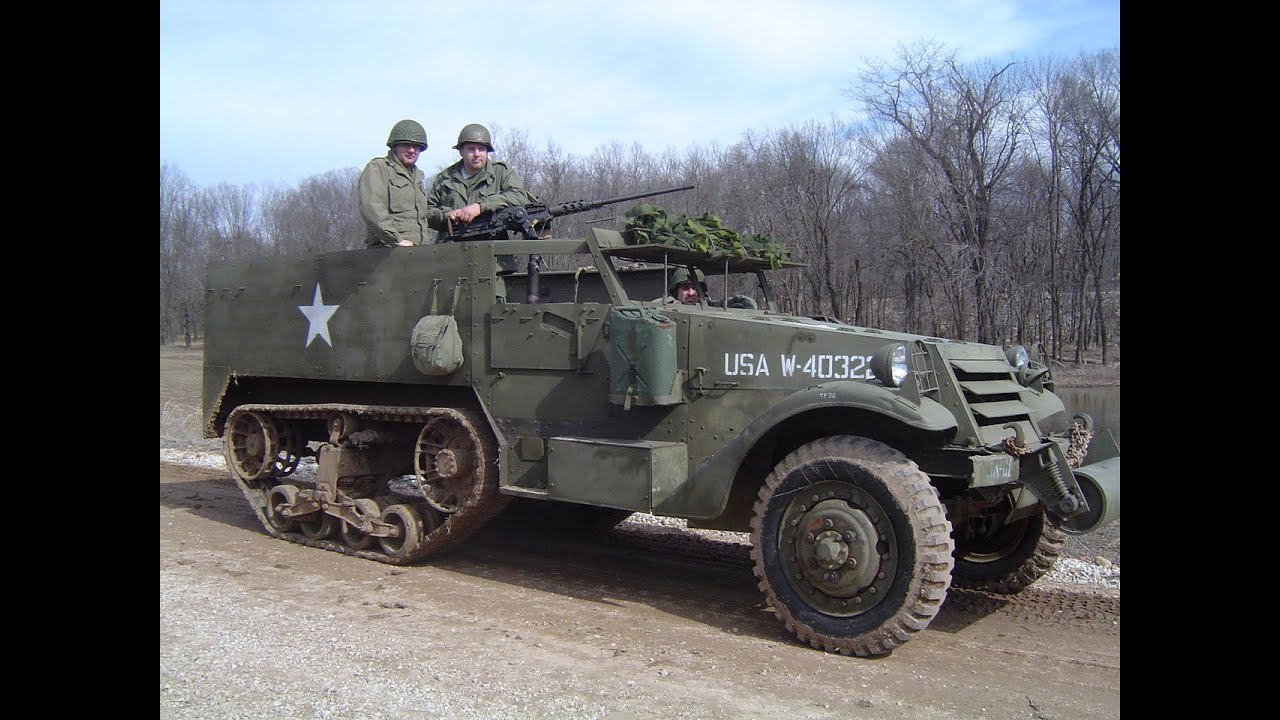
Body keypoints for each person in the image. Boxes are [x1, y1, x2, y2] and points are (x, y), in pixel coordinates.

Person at [427, 123, 533, 302]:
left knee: (494, 308)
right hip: (452, 259)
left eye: (481, 149)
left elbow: (518, 197)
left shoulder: (500, 173)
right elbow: (428, 212)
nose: (476, 154)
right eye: (471, 149)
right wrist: (448, 216)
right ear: (461, 151)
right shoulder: (445, 179)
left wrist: (481, 206)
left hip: (491, 261)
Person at [359, 119, 432, 248]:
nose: (411, 150)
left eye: (416, 146)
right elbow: (372, 207)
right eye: (405, 145)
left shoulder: (418, 176)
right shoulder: (378, 168)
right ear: (394, 146)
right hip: (388, 251)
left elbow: (422, 216)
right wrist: (395, 239)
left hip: (419, 251)